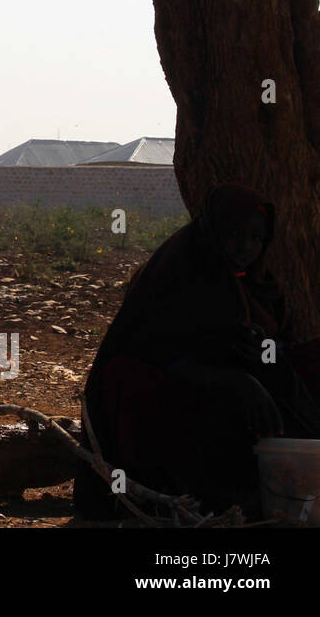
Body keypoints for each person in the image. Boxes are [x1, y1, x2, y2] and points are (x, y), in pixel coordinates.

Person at [75, 183, 320, 518]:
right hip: (187, 391)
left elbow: (280, 344)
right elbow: (154, 349)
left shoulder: (258, 283)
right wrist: (235, 381)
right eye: (233, 234)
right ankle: (208, 497)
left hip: (255, 390)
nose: (244, 247)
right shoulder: (180, 270)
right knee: (132, 380)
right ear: (213, 229)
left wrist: (265, 350)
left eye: (255, 238)